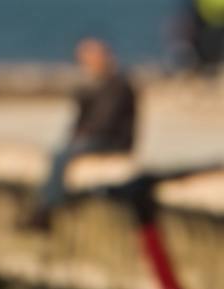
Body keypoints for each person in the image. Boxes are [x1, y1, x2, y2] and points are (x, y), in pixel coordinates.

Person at [18, 35, 139, 229]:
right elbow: (82, 117)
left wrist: (83, 133)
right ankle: (46, 206)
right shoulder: (96, 83)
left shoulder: (117, 84)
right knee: (59, 152)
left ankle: (46, 210)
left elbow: (105, 122)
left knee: (62, 156)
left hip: (113, 141)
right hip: (98, 138)